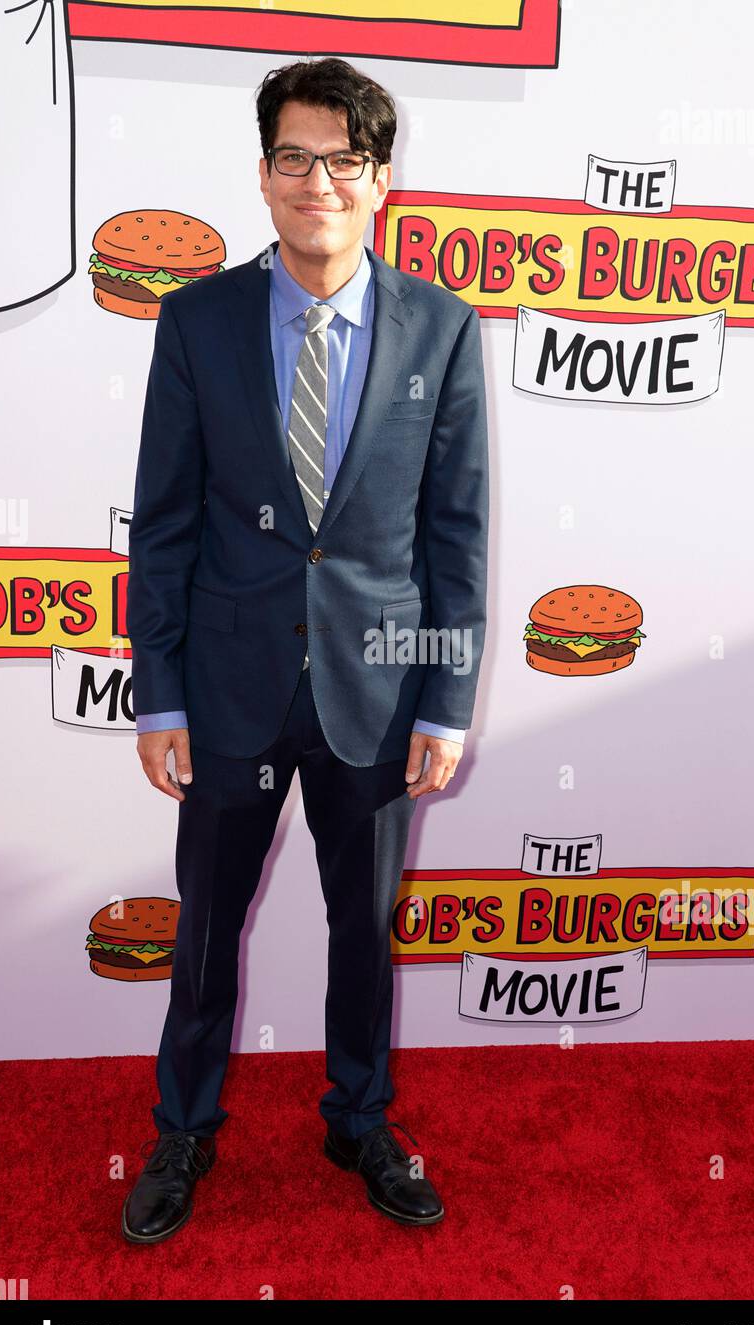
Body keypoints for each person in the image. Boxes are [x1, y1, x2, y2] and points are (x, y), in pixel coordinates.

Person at [122, 57, 488, 1243]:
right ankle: (183, 1128)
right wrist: (159, 694)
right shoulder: (198, 321)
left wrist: (443, 705)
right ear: (265, 172)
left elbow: (453, 531)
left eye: (342, 157)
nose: (315, 178)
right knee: (206, 926)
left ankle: (359, 1114)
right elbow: (166, 519)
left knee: (360, 928)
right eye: (293, 155)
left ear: (379, 177)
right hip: (227, 686)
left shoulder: (444, 326)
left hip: (378, 690)